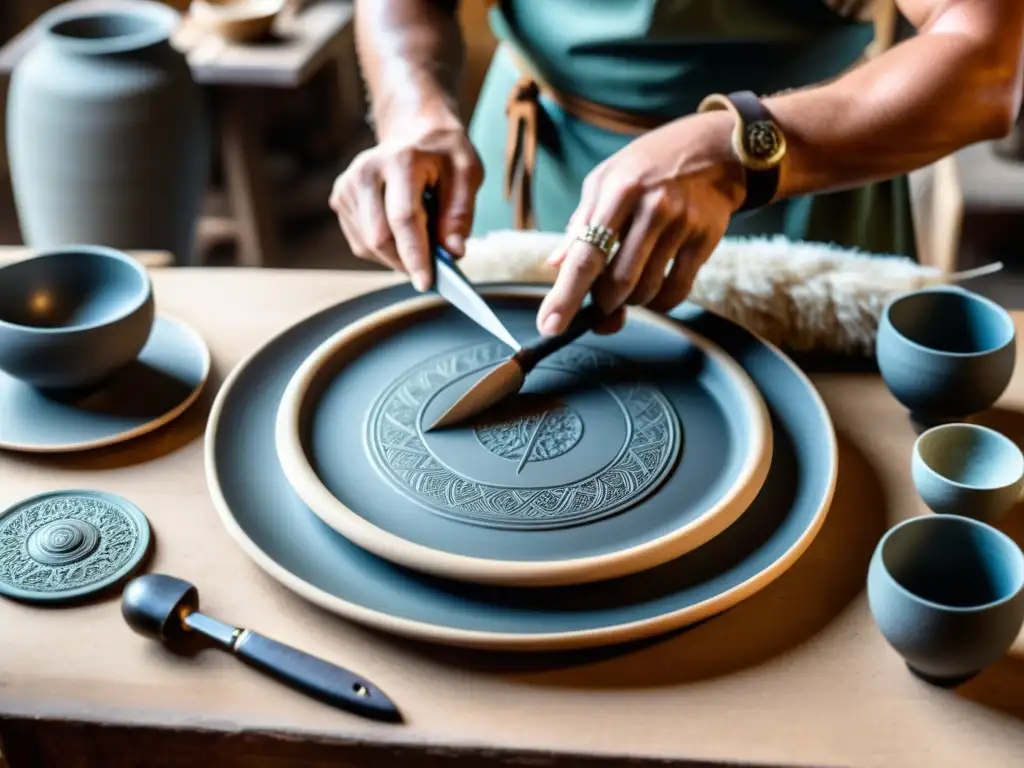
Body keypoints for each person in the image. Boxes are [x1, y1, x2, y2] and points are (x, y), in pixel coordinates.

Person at [330, 0, 1023, 337]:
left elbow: (987, 66)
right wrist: (412, 107)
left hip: (802, 185)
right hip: (530, 177)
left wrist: (738, 150)